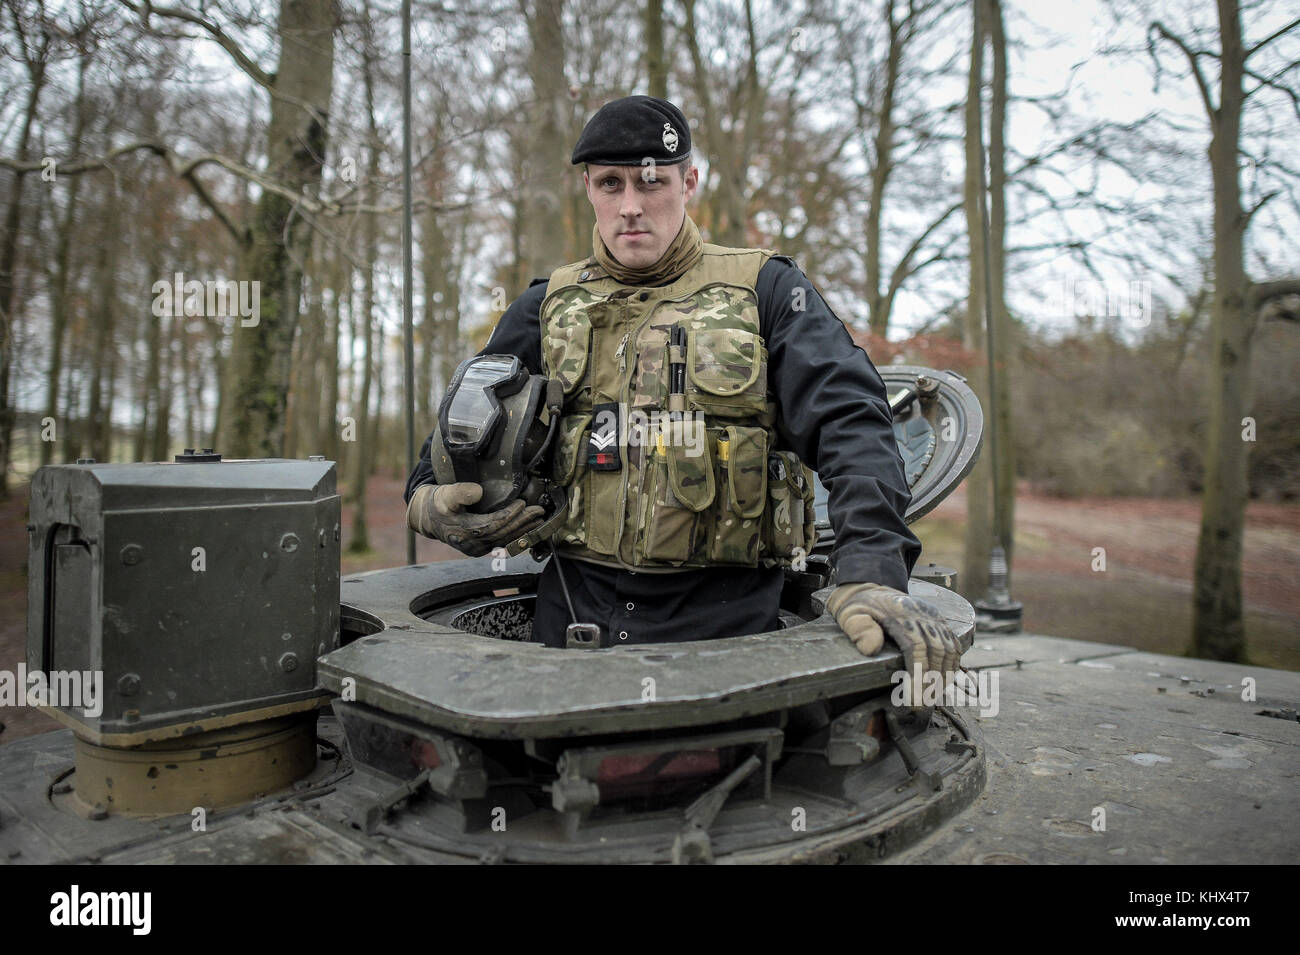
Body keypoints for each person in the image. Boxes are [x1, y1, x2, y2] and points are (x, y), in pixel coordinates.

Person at [405, 95, 959, 690]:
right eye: (610, 185)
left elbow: (852, 421)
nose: (631, 206)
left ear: (688, 181)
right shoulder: (545, 305)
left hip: (728, 632)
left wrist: (871, 567)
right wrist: (428, 502)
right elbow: (458, 437)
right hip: (567, 623)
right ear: (588, 188)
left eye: (652, 182)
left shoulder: (767, 290)